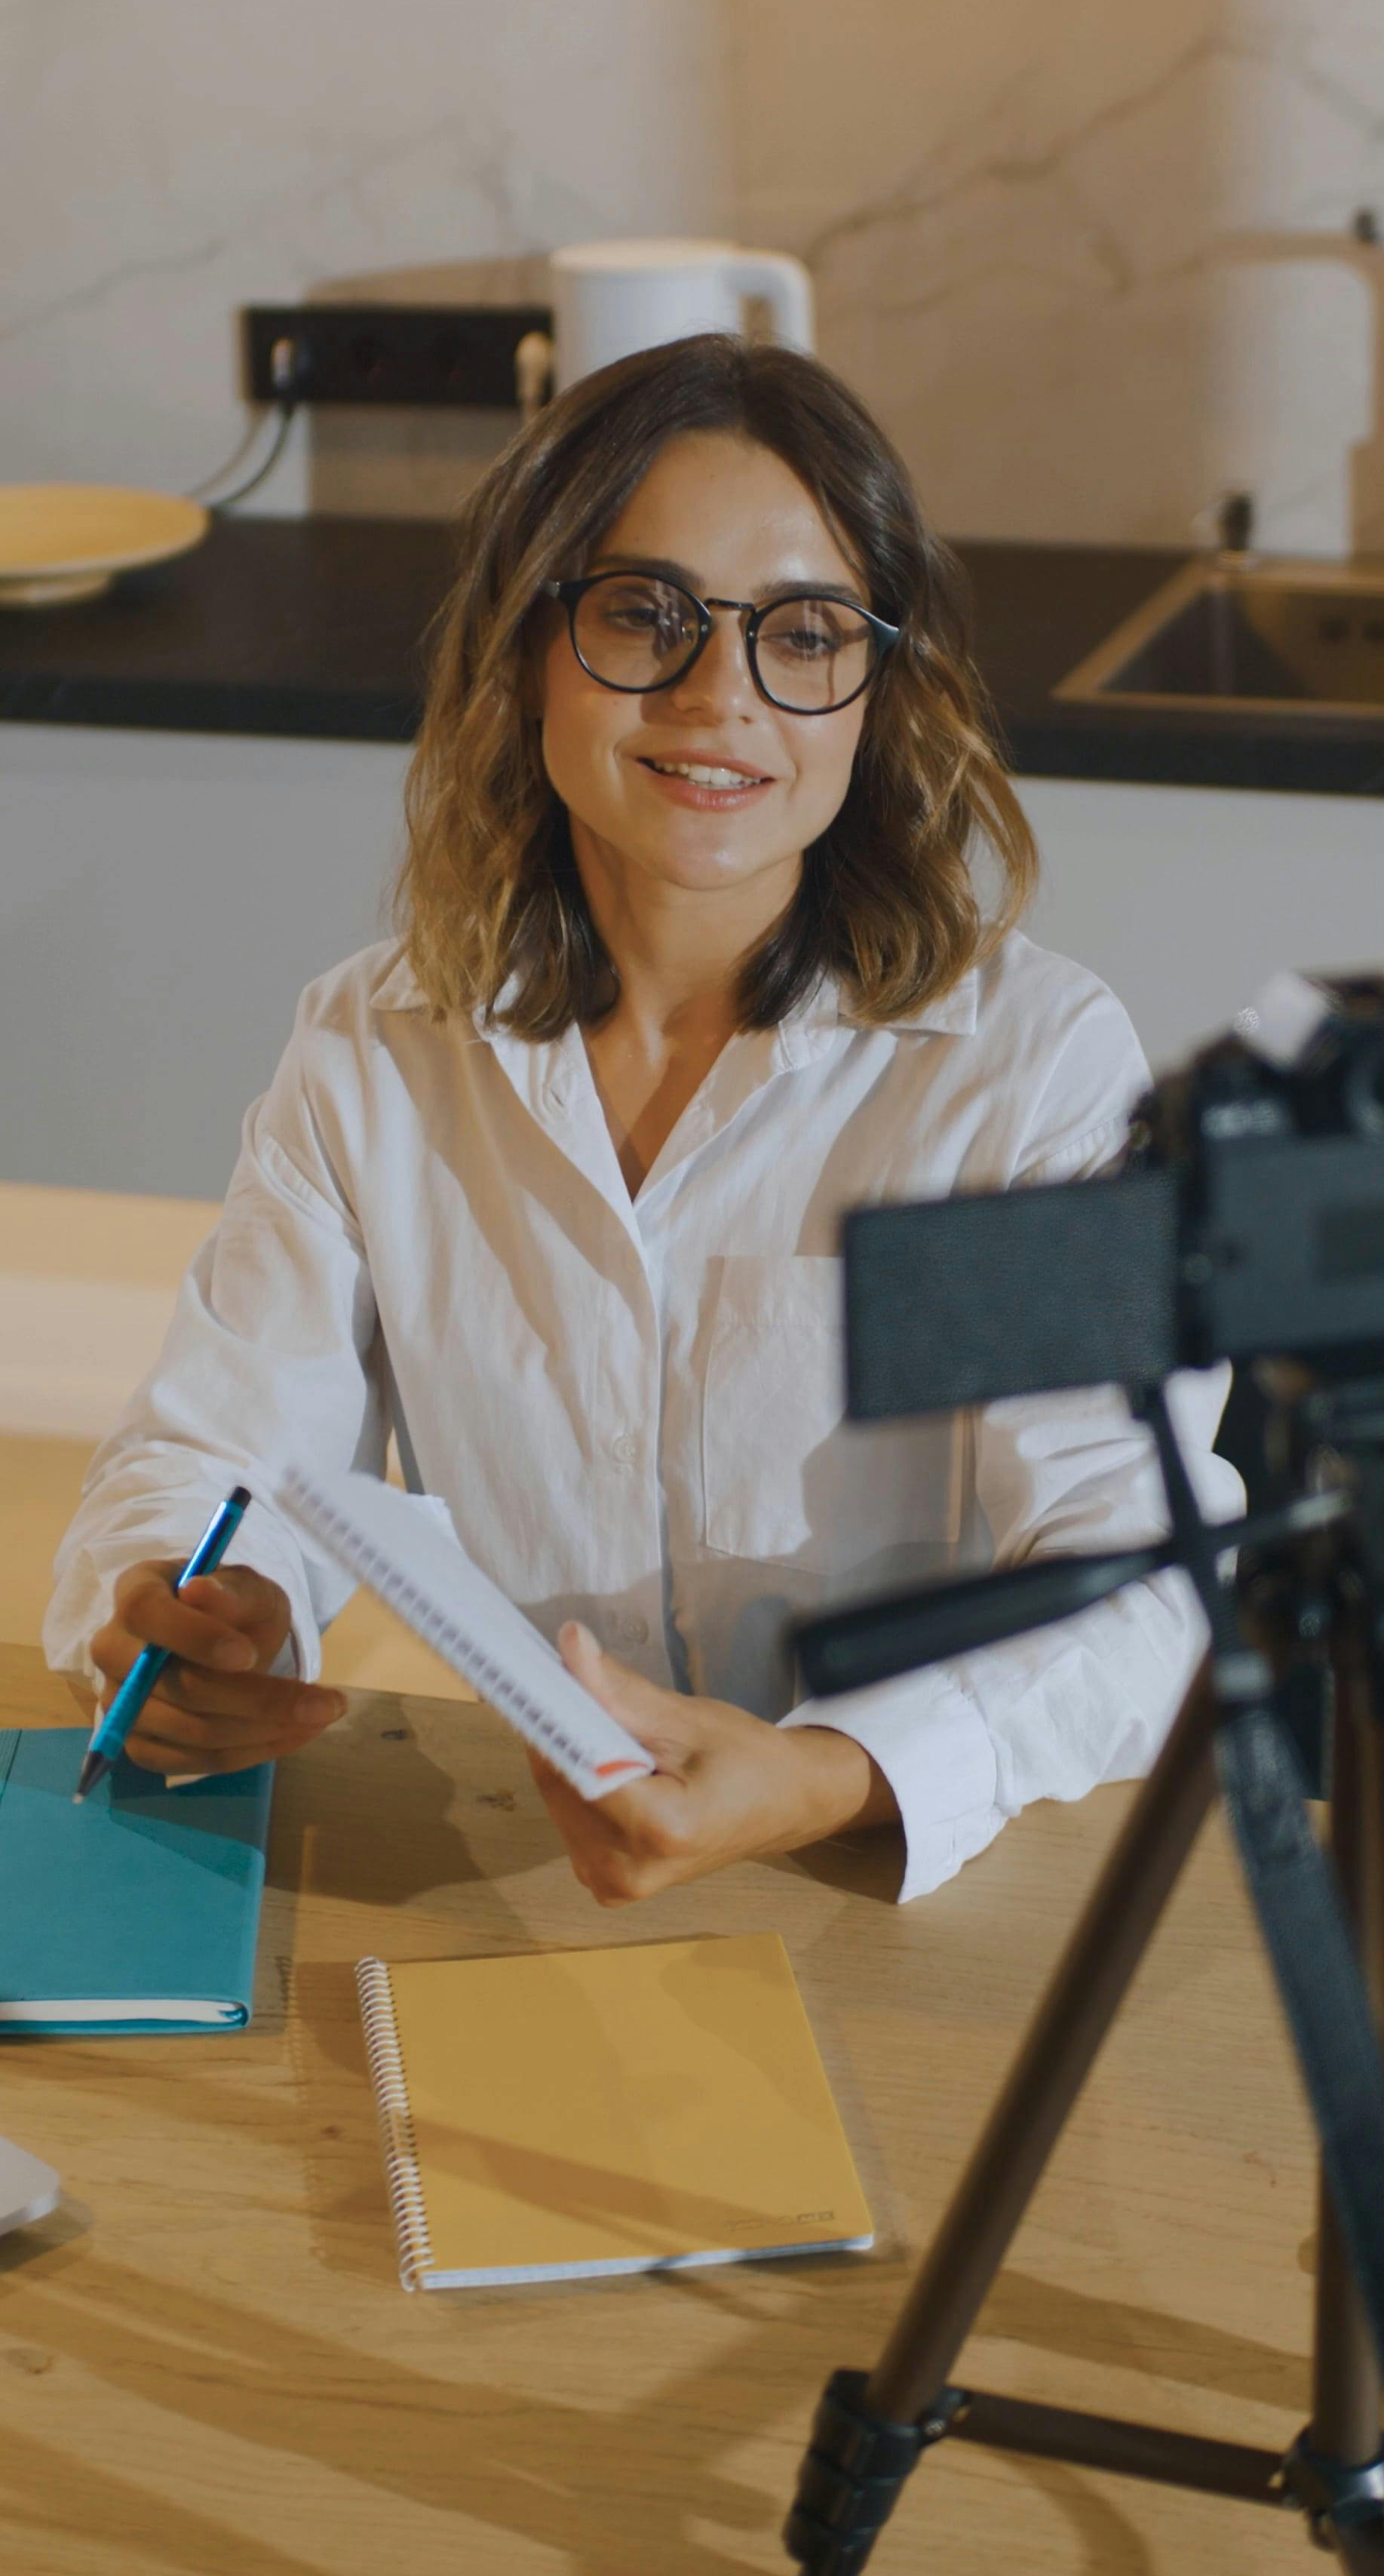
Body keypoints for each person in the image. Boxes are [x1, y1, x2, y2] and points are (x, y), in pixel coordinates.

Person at [45, 333, 1237, 1904]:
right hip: (552, 1861)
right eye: (643, 615)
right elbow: (217, 1454)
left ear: (878, 690)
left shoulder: (1029, 1067)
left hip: (915, 1864)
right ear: (528, 645)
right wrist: (195, 1606)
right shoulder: (372, 1041)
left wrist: (823, 1773)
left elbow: (1146, 1582)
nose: (718, 694)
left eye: (803, 633)